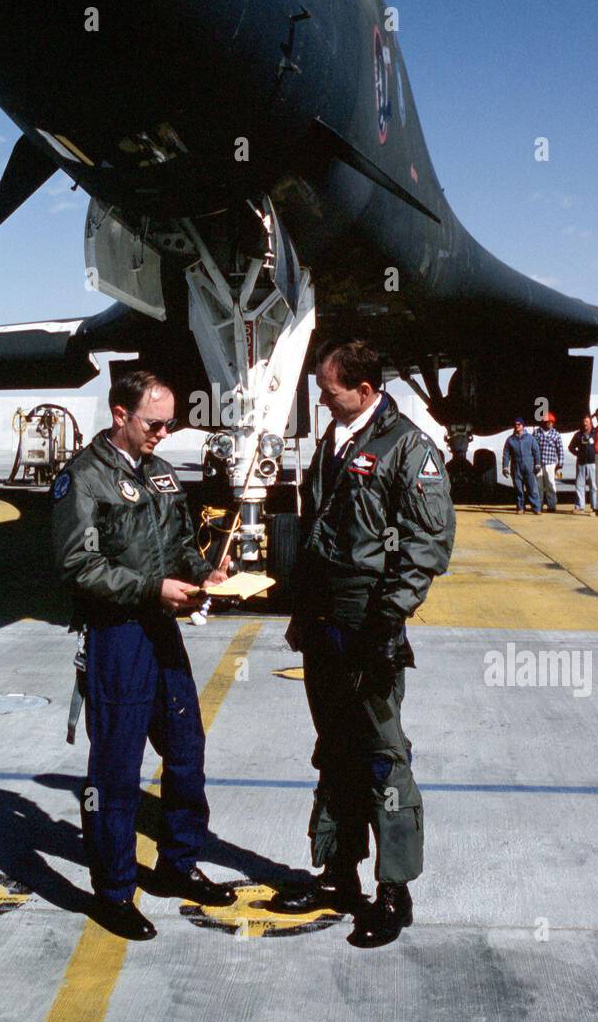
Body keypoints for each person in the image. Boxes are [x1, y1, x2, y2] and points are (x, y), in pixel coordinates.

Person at [273, 339, 455, 948]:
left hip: (368, 622)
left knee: (382, 755)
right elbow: (318, 528)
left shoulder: (406, 446)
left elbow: (430, 544)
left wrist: (387, 621)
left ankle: (395, 891)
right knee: (335, 748)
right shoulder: (337, 438)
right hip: (325, 620)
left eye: (330, 390)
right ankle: (339, 872)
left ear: (365, 389)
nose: (321, 399)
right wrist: (302, 610)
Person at [51, 370, 234, 941]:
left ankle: (177, 867)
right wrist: (151, 590)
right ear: (120, 415)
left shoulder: (159, 473)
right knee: (116, 769)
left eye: (169, 422)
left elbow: (180, 544)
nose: (164, 431)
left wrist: (209, 574)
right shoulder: (83, 479)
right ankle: (114, 891)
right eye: (155, 422)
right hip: (117, 635)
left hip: (160, 630)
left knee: (185, 750)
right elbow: (79, 567)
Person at [502, 419, 542, 513]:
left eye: (519, 424)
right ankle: (520, 507)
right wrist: (505, 467)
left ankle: (536, 508)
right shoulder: (510, 440)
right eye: (515, 424)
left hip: (529, 466)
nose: (517, 426)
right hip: (516, 467)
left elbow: (536, 451)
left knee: (532, 488)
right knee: (518, 489)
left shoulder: (530, 438)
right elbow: (506, 454)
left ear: (523, 426)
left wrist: (537, 464)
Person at [533, 411, 565, 512]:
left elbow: (560, 449)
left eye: (551, 422)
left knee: (551, 484)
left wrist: (560, 463)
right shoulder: (536, 433)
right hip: (538, 464)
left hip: (550, 464)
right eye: (547, 422)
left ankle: (552, 506)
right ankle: (539, 505)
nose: (549, 423)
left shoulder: (556, 434)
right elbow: (532, 447)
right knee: (539, 486)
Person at [569, 415, 596, 514]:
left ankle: (596, 507)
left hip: (593, 463)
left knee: (594, 486)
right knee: (580, 485)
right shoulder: (578, 435)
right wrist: (577, 454)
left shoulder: (595, 433)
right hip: (581, 463)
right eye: (584, 422)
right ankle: (579, 507)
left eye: (587, 422)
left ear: (591, 423)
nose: (585, 424)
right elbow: (571, 447)